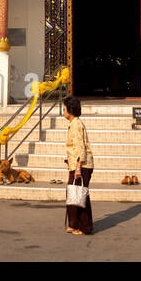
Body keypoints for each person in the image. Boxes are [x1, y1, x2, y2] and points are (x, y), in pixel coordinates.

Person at [63, 96, 93, 235]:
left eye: (64, 109)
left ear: (70, 110)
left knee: (80, 195)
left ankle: (83, 227)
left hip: (81, 166)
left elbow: (80, 147)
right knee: (73, 194)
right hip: (76, 164)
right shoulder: (74, 123)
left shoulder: (76, 125)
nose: (63, 111)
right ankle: (74, 224)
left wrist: (78, 168)